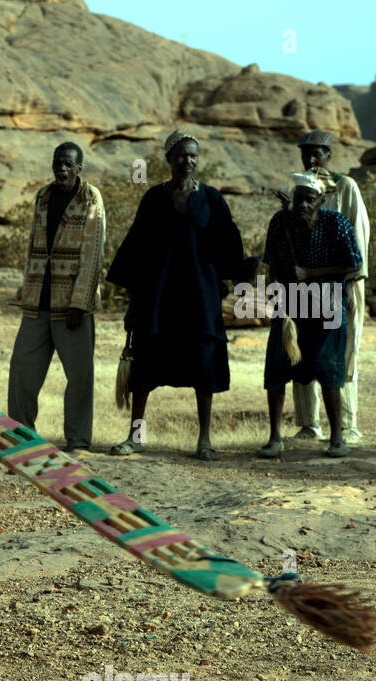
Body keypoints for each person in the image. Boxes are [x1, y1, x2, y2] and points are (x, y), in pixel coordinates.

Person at [106, 130, 258, 460]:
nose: (188, 160)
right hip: (158, 298)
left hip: (199, 298)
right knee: (145, 369)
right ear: (169, 158)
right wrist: (134, 298)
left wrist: (238, 274)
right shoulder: (154, 198)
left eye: (193, 155)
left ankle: (204, 440)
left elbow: (229, 244)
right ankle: (136, 436)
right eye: (181, 154)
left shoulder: (212, 199)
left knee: (202, 367)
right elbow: (136, 247)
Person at [7, 142, 106, 452]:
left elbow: (93, 254)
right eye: (57, 163)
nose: (61, 169)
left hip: (72, 306)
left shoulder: (90, 198)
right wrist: (27, 285)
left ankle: (77, 440)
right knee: (22, 370)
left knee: (79, 376)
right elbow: (32, 244)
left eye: (68, 164)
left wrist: (81, 302)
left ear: (79, 168)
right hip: (38, 302)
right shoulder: (44, 196)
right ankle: (22, 436)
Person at [258, 173, 362, 458]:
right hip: (290, 305)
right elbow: (273, 263)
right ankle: (275, 437)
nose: (302, 204)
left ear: (321, 200)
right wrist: (277, 291)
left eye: (308, 199)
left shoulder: (336, 223)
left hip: (327, 303)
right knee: (278, 366)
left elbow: (353, 264)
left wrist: (312, 274)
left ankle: (337, 437)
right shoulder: (281, 222)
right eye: (298, 198)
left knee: (328, 368)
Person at [284, 130, 371, 445]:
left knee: (342, 352)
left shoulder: (345, 187)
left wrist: (350, 285)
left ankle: (347, 425)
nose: (310, 159)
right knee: (300, 348)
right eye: (305, 153)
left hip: (342, 284)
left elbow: (358, 240)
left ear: (329, 154)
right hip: (304, 287)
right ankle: (309, 424)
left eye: (317, 153)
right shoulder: (297, 188)